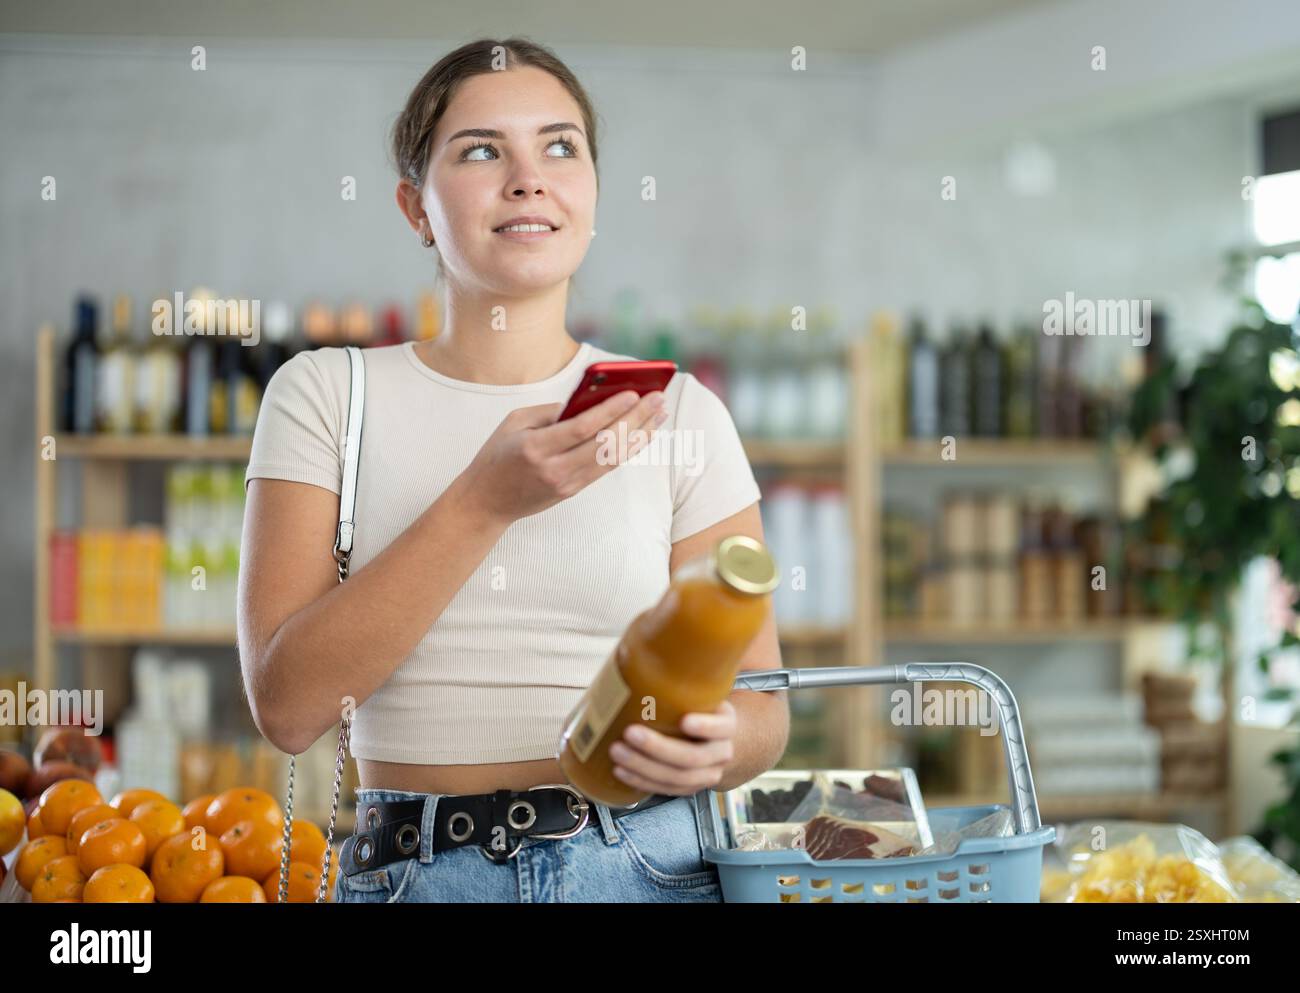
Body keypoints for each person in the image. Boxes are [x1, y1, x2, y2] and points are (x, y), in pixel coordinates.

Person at [238, 36, 787, 903]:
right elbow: (288, 707)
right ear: (415, 208)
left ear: (593, 195)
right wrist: (484, 503)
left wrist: (724, 741)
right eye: (482, 150)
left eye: (560, 146)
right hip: (414, 873)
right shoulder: (325, 397)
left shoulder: (678, 413)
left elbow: (763, 703)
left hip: (648, 864)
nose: (529, 177)